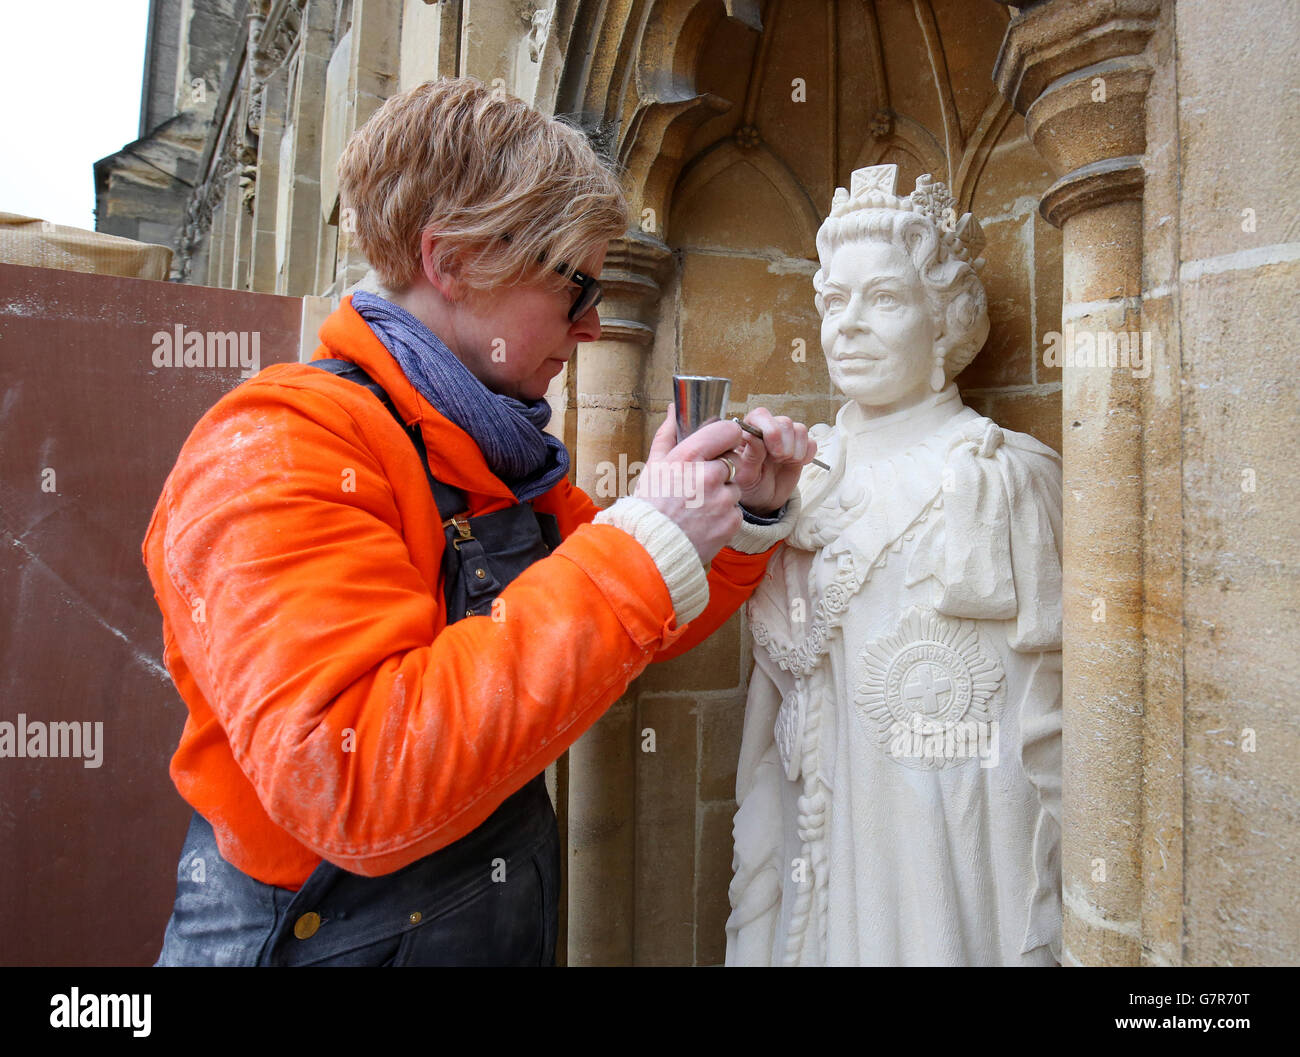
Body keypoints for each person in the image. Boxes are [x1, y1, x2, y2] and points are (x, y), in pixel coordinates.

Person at [145, 76, 816, 966]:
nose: (589, 328)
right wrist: (646, 539)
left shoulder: (492, 452)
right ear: (452, 260)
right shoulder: (280, 443)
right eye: (573, 287)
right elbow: (352, 776)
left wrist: (741, 516)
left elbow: (635, 626)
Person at [726, 165, 1063, 966]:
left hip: (944, 855)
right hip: (819, 843)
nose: (848, 326)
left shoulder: (1002, 475)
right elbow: (770, 719)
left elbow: (1051, 713)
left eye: (883, 300)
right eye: (835, 303)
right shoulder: (794, 479)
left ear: (942, 321)